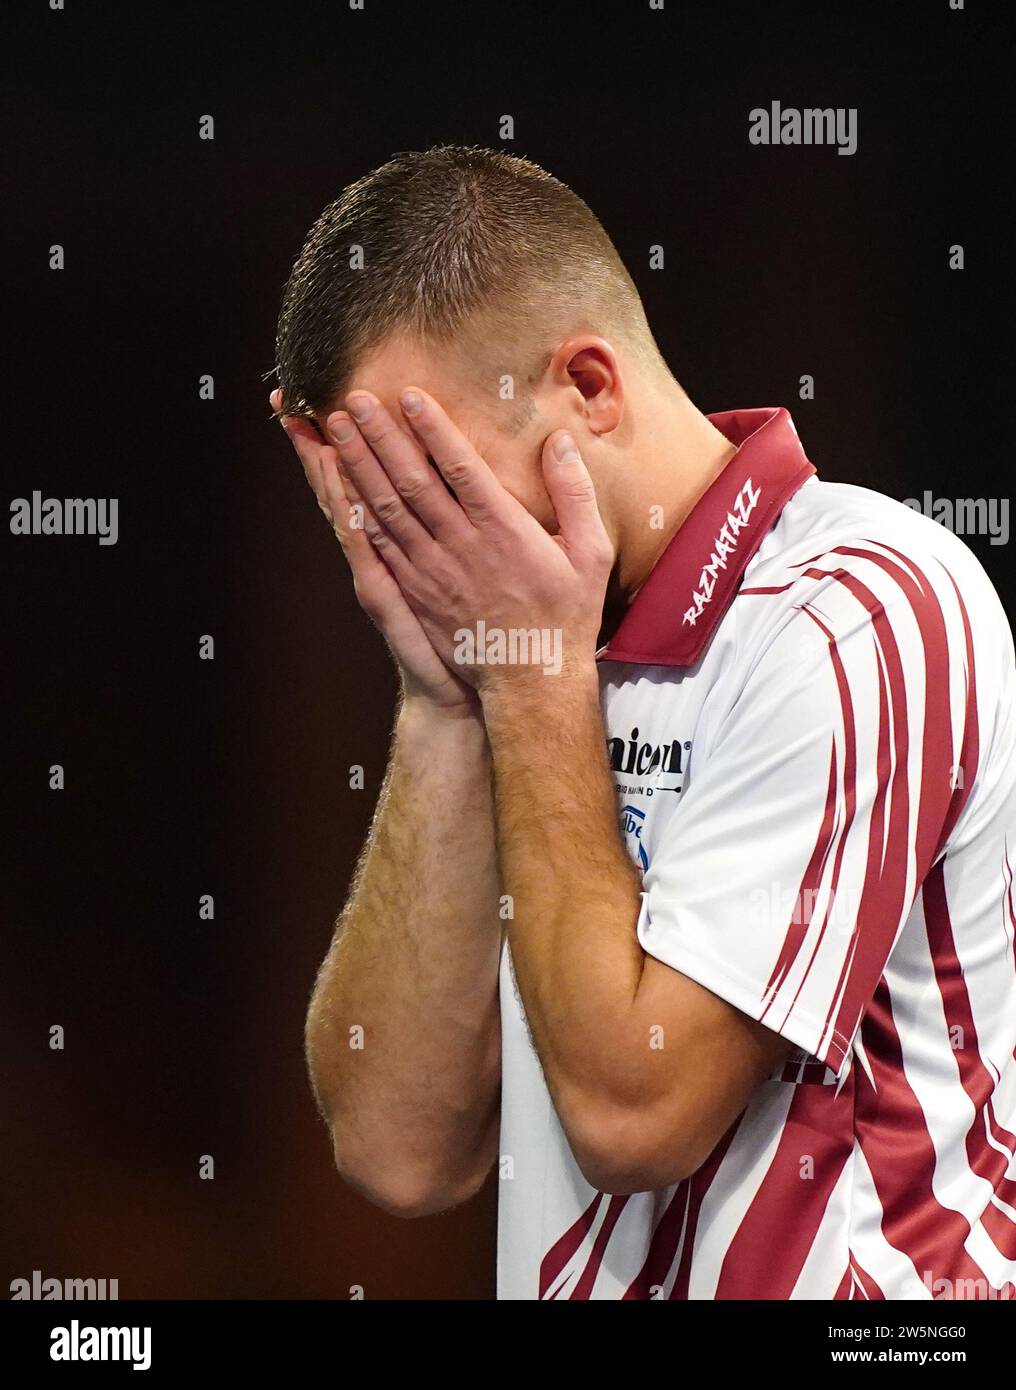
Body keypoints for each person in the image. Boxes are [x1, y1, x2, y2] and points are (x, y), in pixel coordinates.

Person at [272, 145, 1016, 1300]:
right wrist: (440, 702)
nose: (428, 552)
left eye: (444, 488)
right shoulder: (527, 646)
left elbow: (634, 1115)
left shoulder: (857, 610)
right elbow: (395, 1150)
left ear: (589, 384)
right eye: (387, 512)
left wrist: (523, 682)